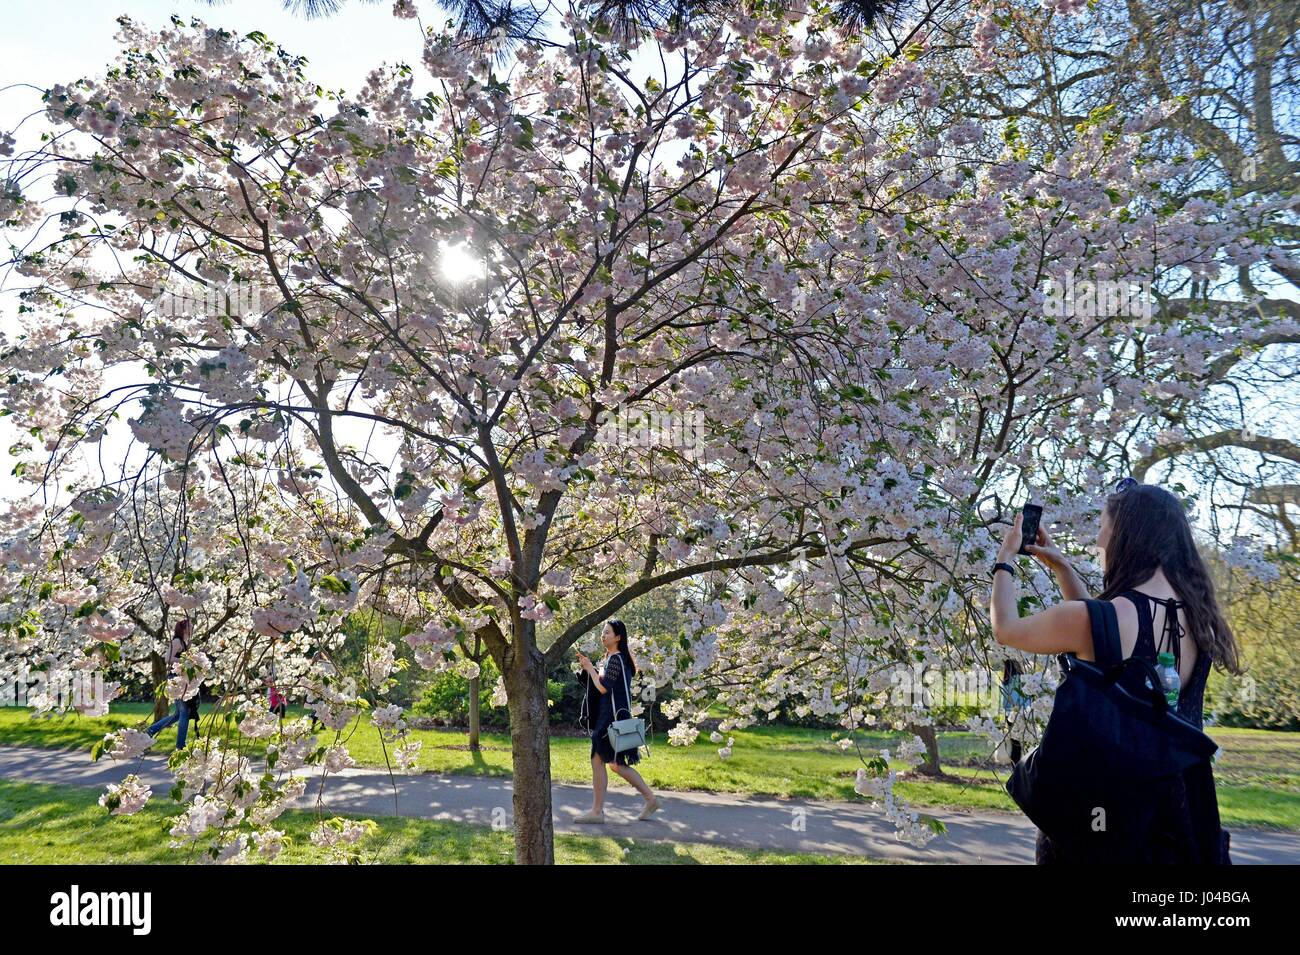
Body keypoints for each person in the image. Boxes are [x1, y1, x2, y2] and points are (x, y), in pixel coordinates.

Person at [989, 479, 1241, 863]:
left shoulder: (1099, 619)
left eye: (1103, 527)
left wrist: (1005, 559)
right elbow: (1103, 643)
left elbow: (1006, 628)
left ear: (1125, 533)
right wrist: (1063, 568)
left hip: (1097, 824)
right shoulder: (1199, 617)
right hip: (1175, 821)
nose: (1099, 539)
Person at [573, 619, 660, 823]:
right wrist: (589, 671)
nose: (603, 636)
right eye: (602, 632)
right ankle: (650, 799)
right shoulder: (612, 659)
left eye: (608, 633)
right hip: (611, 715)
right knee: (614, 763)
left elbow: (604, 688)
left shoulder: (616, 659)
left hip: (610, 718)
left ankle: (597, 812)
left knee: (603, 760)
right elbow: (600, 686)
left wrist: (590, 668)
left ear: (618, 637)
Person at [146, 618, 200, 750]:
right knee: (184, 712)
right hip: (176, 679)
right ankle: (181, 745)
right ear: (183, 628)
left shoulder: (185, 643)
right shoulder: (177, 641)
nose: (192, 628)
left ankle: (150, 731)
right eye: (190, 626)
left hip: (182, 678)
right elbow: (167, 658)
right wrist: (186, 660)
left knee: (178, 714)